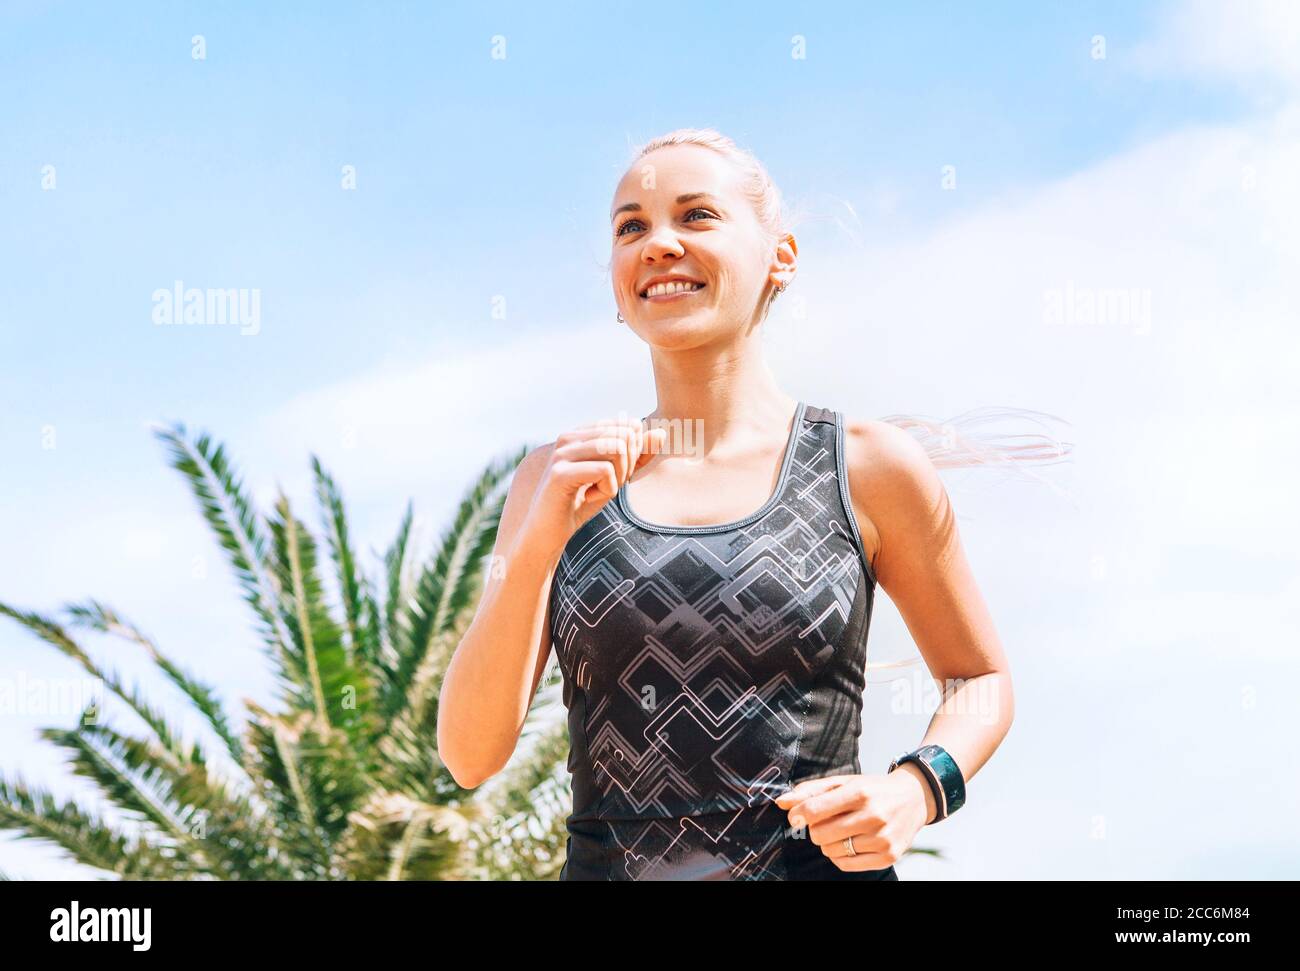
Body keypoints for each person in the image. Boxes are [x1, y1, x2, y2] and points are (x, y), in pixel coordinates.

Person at [438, 127, 1062, 880]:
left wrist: (915, 789)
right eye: (631, 227)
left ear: (781, 256)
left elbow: (980, 679)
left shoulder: (864, 466)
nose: (659, 243)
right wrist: (536, 545)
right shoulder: (558, 481)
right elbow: (470, 755)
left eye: (696, 216)